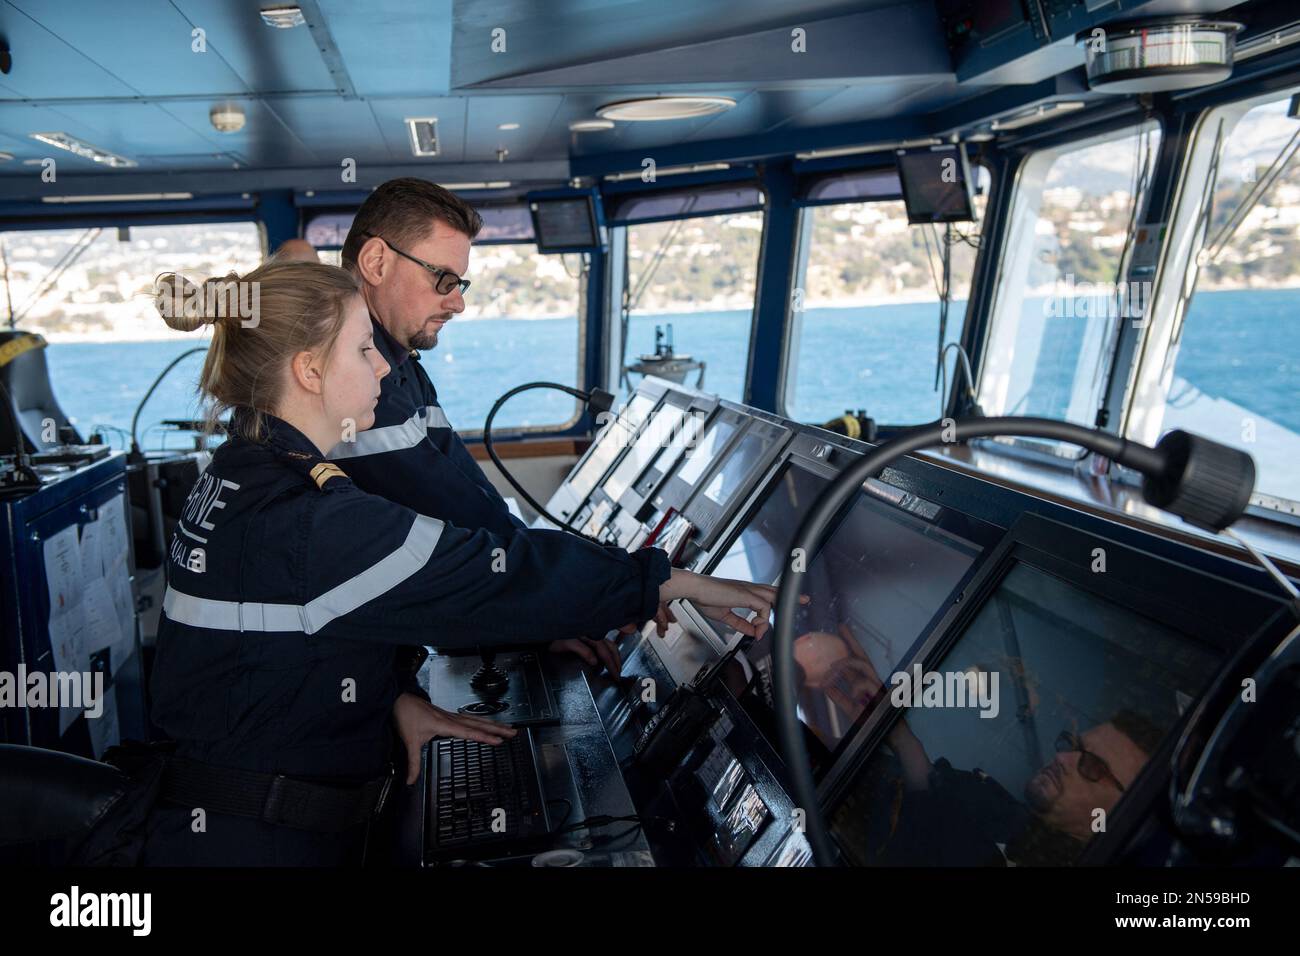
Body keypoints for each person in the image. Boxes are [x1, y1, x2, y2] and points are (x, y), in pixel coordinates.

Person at [140, 260, 775, 866]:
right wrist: (662, 580)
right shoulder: (307, 520)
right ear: (309, 370)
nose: (384, 374)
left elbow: (286, 642)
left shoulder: (244, 471)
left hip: (238, 813)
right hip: (256, 842)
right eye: (365, 351)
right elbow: (490, 574)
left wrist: (389, 700)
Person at [330, 180, 635, 670]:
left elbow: (469, 499)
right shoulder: (352, 384)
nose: (457, 303)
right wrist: (620, 588)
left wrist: (550, 620)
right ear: (376, 262)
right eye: (443, 280)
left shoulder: (401, 366)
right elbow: (444, 519)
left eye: (460, 284)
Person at [796, 637, 1165, 865]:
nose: (1064, 758)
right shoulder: (1004, 813)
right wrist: (898, 735)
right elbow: (934, 812)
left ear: (1129, 814)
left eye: (1093, 766)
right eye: (1073, 747)